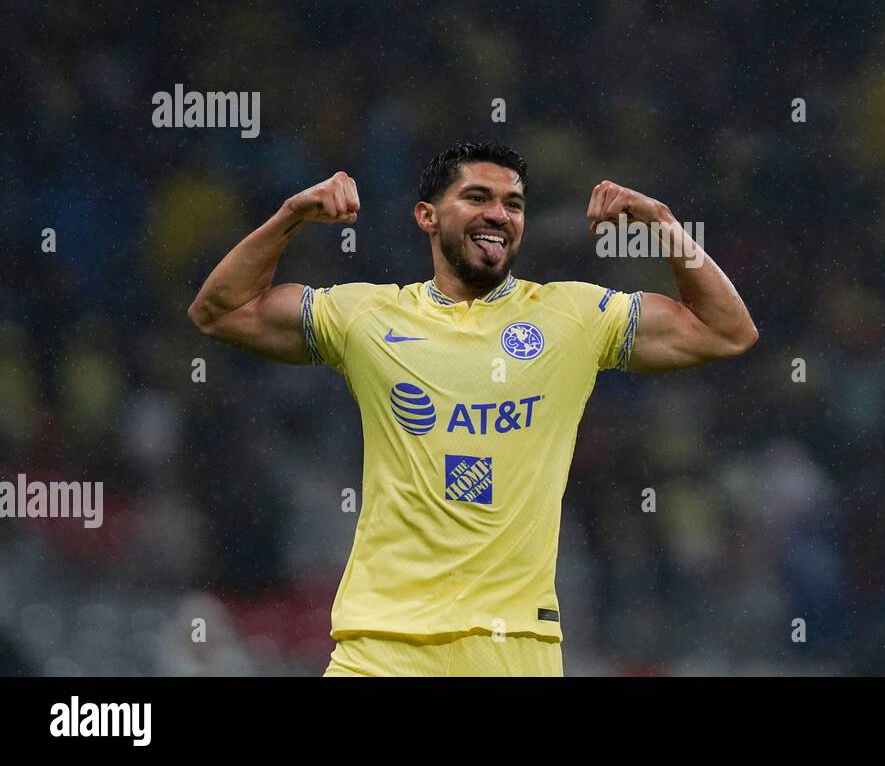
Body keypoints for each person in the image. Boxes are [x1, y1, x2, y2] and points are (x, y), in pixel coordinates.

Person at [186, 141, 758, 676]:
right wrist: (291, 215)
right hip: (381, 644)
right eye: (477, 197)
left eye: (513, 203)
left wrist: (661, 224)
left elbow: (725, 331)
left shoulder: (575, 317)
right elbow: (221, 311)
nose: (498, 214)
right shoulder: (366, 316)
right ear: (427, 217)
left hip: (513, 648)